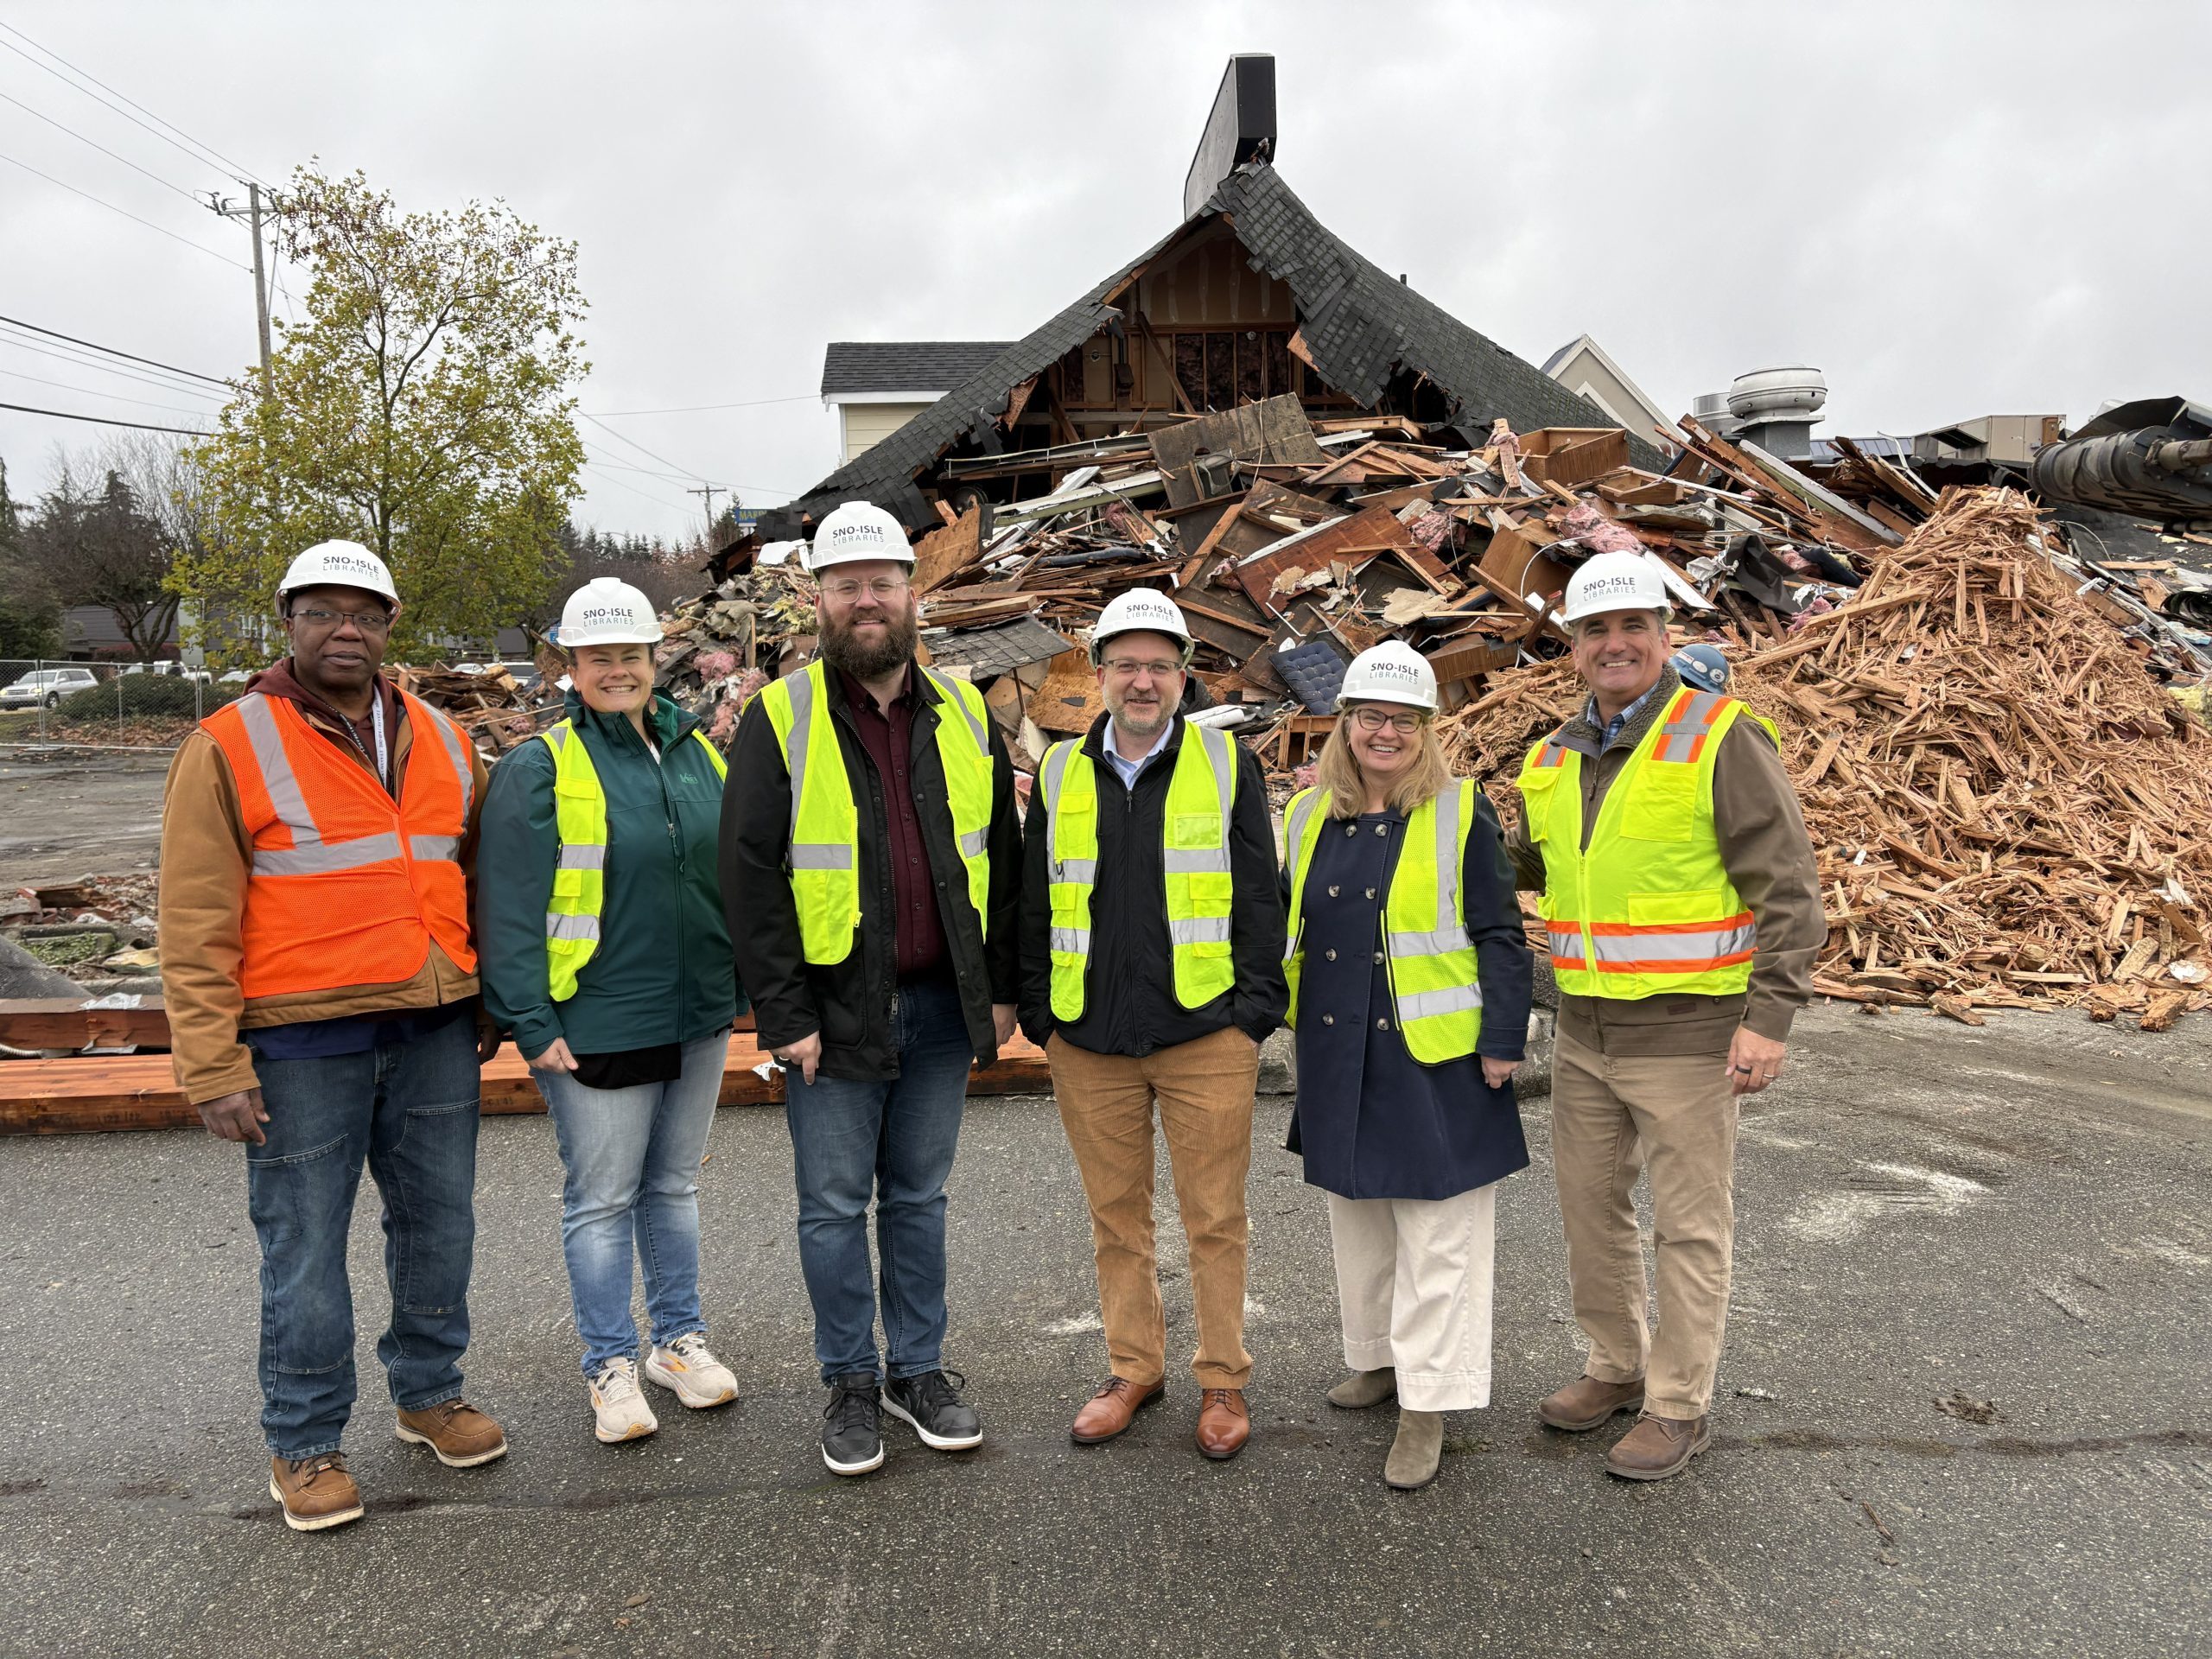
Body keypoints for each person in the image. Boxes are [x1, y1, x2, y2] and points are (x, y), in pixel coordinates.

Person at [157, 540, 504, 1533]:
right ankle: (304, 1443)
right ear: (288, 622)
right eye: (322, 611)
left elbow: (469, 877)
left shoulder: (440, 735)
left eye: (364, 612)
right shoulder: (228, 744)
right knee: (305, 1246)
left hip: (434, 1027)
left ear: (390, 627)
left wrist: (484, 998)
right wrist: (211, 1064)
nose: (344, 627)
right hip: (303, 1044)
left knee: (440, 1225)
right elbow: (192, 917)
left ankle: (428, 1394)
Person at [720, 499, 1023, 1477]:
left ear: (911, 595)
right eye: (846, 585)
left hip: (940, 1005)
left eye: (882, 584)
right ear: (817, 600)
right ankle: (850, 1380)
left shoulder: (968, 712)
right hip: (833, 1013)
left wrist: (1002, 989)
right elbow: (750, 877)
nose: (866, 601)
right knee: (832, 1205)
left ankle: (919, 1372)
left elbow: (1003, 865)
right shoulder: (779, 717)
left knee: (920, 1200)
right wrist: (783, 1014)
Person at [1509, 550, 1822, 1481]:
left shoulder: (1717, 735)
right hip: (1585, 1028)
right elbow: (1538, 875)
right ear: (1571, 646)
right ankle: (1614, 1366)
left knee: (1689, 1226)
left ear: (1663, 636)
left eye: (1632, 627)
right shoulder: (1553, 755)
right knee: (1589, 1211)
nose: (1614, 645)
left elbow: (1788, 890)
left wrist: (1769, 1018)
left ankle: (1678, 1403)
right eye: (1595, 630)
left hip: (1689, 1034)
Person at [1020, 588, 1287, 1462]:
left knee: (1214, 1216)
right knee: (1115, 1218)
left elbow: (1259, 896)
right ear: (1098, 675)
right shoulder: (1060, 773)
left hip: (1204, 1031)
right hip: (1087, 1036)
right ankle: (1134, 1368)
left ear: (1183, 678)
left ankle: (1222, 1379)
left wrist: (1251, 1015)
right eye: (1126, 665)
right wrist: (1040, 1014)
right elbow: (1031, 902)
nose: (1143, 681)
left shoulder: (1224, 765)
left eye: (1159, 666)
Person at [477, 577, 742, 1445]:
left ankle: (675, 1342)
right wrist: (530, 1019)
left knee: (671, 1185)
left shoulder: (697, 753)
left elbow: (727, 873)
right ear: (571, 666)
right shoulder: (542, 764)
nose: (617, 670)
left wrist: (740, 988)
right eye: (599, 658)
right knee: (601, 1199)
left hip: (694, 1009)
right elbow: (508, 902)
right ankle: (609, 1365)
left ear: (652, 659)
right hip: (594, 1016)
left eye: (630, 654)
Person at [1278, 642, 1533, 1491]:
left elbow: (1500, 933)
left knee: (1438, 1232)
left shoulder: (1461, 812)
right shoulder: (1308, 815)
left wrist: (1503, 1039)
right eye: (1369, 717)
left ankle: (1430, 1403)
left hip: (1438, 1056)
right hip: (1339, 1047)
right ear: (1344, 725)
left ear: (1426, 730)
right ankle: (1378, 1361)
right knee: (1359, 1219)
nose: (1383, 733)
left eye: (1402, 720)